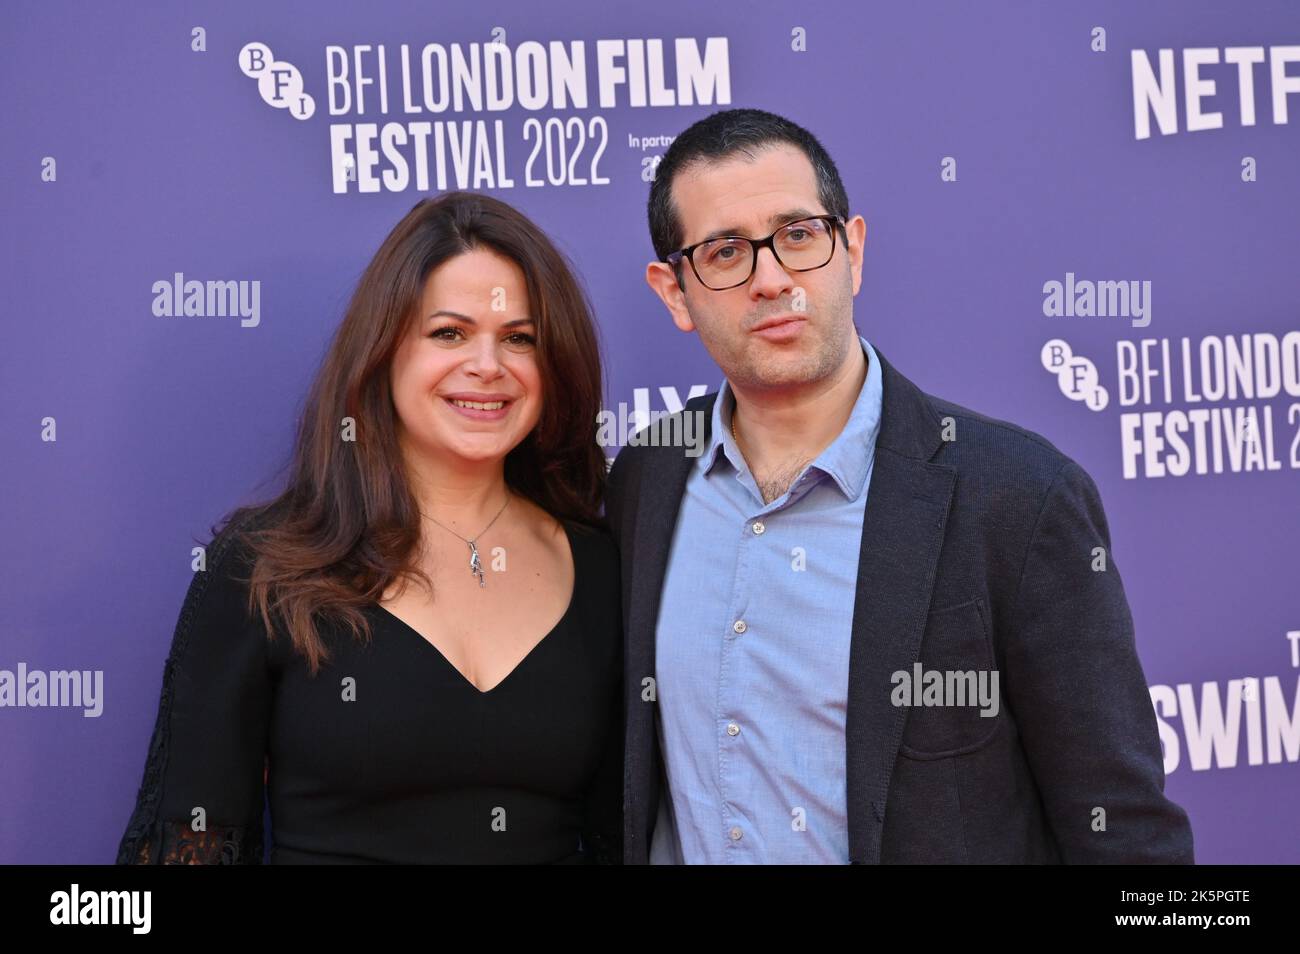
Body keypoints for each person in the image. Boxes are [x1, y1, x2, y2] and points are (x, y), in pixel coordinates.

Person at [605, 107, 1195, 864]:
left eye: (798, 235)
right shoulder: (648, 479)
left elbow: (1126, 830)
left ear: (851, 250)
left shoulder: (1016, 498)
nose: (772, 279)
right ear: (675, 292)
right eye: (725, 253)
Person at [116, 192, 622, 864]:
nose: (487, 366)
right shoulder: (264, 568)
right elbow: (190, 840)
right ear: (384, 352)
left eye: (519, 338)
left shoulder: (604, 569)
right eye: (449, 333)